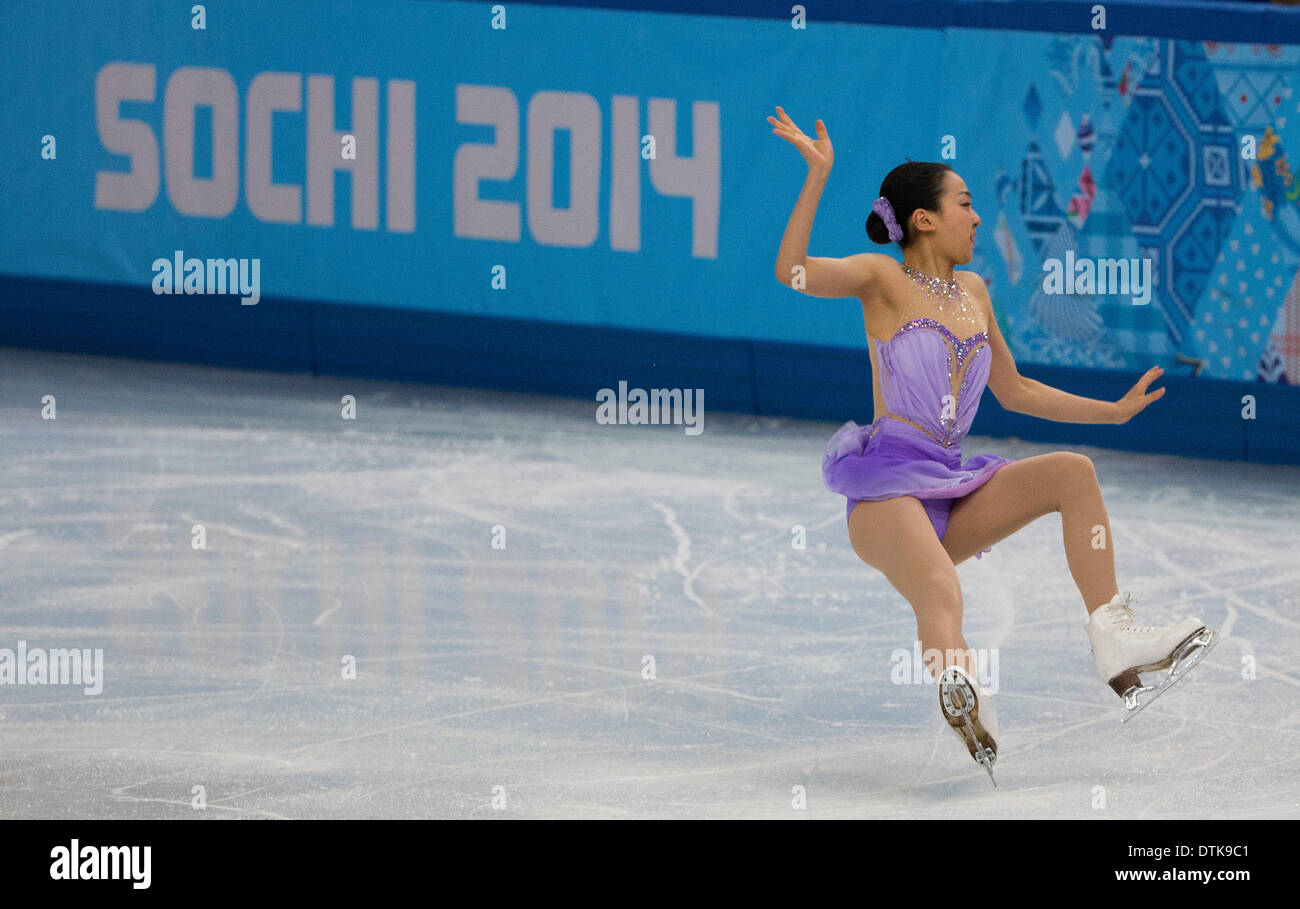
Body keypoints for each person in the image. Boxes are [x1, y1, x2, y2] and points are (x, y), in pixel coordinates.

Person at [768, 106, 1216, 785]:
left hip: (950, 485)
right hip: (887, 488)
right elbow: (792, 273)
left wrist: (1114, 413)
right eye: (964, 204)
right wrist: (818, 175)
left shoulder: (975, 291)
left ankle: (1115, 640)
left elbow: (1015, 390)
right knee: (941, 587)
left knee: (1073, 473)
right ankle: (962, 690)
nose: (976, 218)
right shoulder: (882, 280)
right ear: (924, 219)